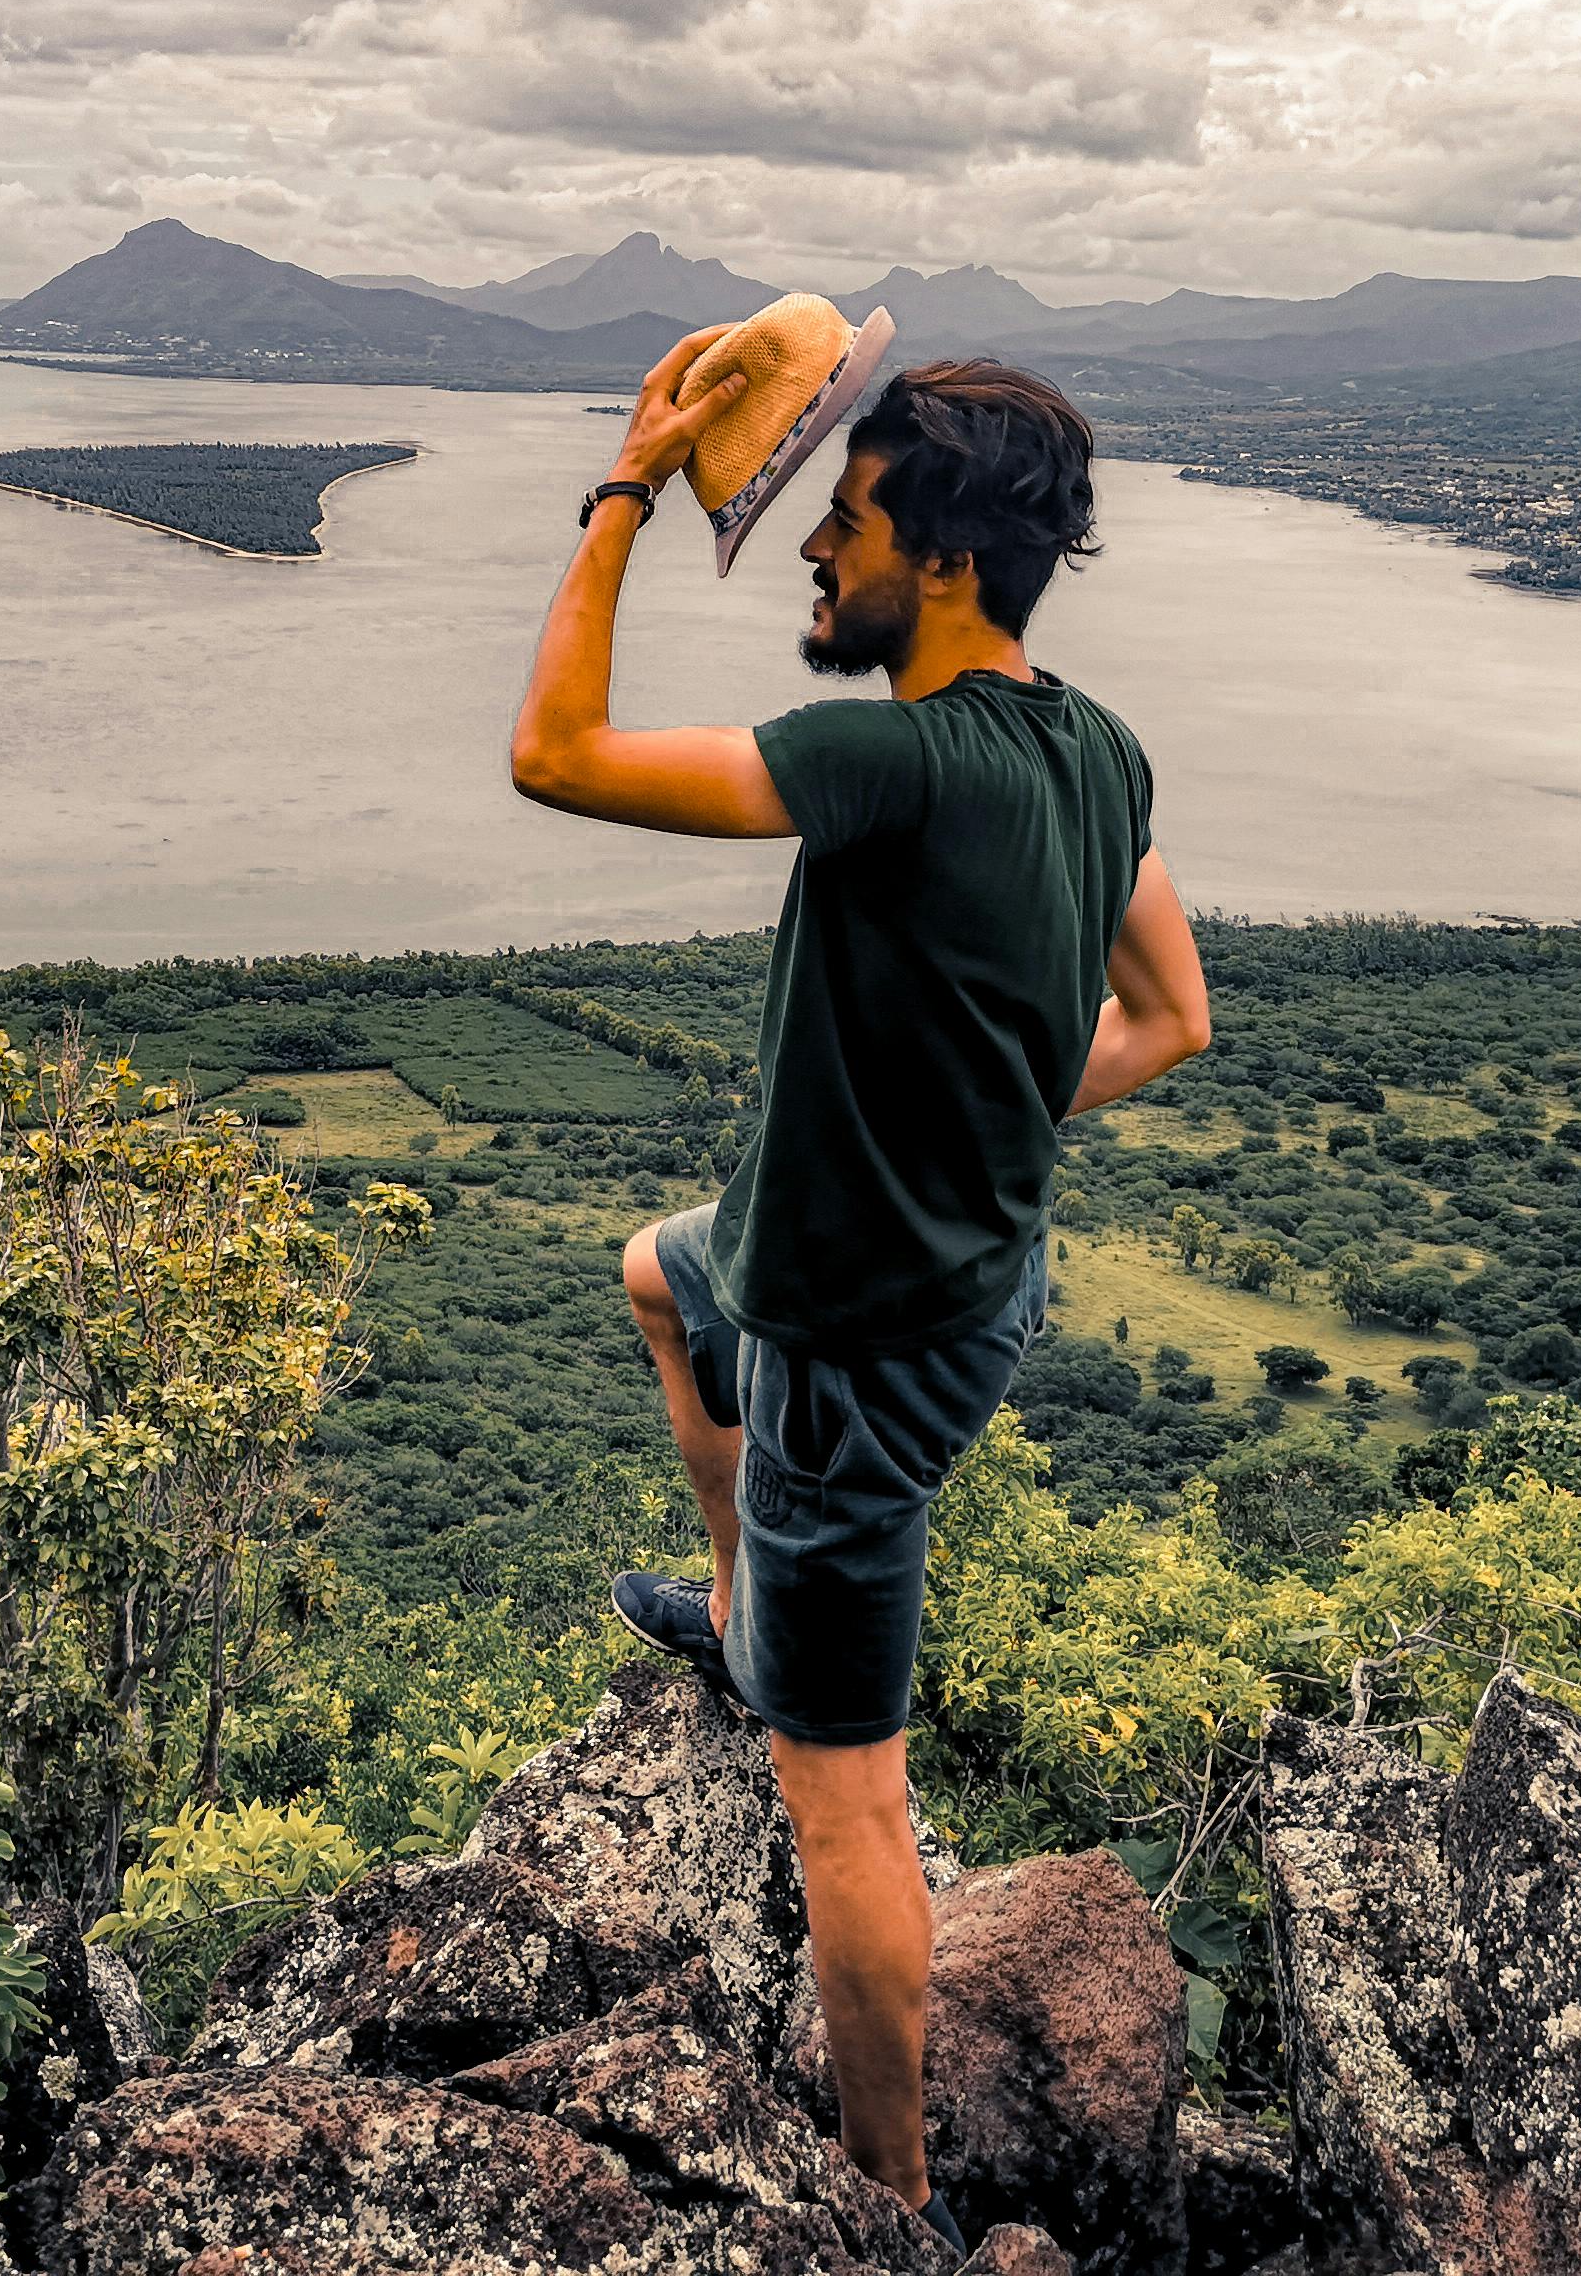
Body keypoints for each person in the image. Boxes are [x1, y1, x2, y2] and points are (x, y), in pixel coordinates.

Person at [505, 327, 1212, 2249]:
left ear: (950, 561)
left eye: (851, 519)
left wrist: (627, 489)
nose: (817, 549)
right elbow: (1170, 1015)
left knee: (849, 1807)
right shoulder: (1096, 748)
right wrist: (982, 1112)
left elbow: (554, 755)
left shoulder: (891, 760)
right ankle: (749, 1607)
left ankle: (893, 2205)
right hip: (937, 1269)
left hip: (860, 1342)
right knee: (660, 1278)